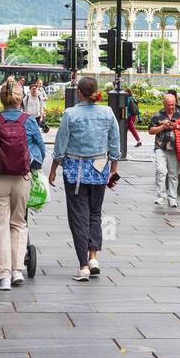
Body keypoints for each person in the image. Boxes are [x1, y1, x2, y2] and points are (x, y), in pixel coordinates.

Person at [0, 81, 46, 290]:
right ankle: (17, 271)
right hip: (22, 177)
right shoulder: (29, 121)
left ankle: (3, 276)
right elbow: (41, 150)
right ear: (19, 98)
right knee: (19, 222)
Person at [49, 75, 120, 282]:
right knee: (95, 214)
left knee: (78, 217)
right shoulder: (107, 112)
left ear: (79, 92)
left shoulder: (70, 114)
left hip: (75, 171)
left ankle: (83, 266)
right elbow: (114, 145)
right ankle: (93, 257)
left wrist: (53, 169)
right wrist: (113, 169)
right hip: (99, 169)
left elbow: (60, 145)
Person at [148, 92, 180, 207]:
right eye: (168, 105)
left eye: (172, 105)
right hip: (160, 147)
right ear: (163, 104)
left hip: (175, 148)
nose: (170, 107)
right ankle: (161, 196)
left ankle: (172, 198)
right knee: (161, 171)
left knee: (173, 174)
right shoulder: (157, 115)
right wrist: (162, 127)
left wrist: (177, 126)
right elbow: (150, 131)